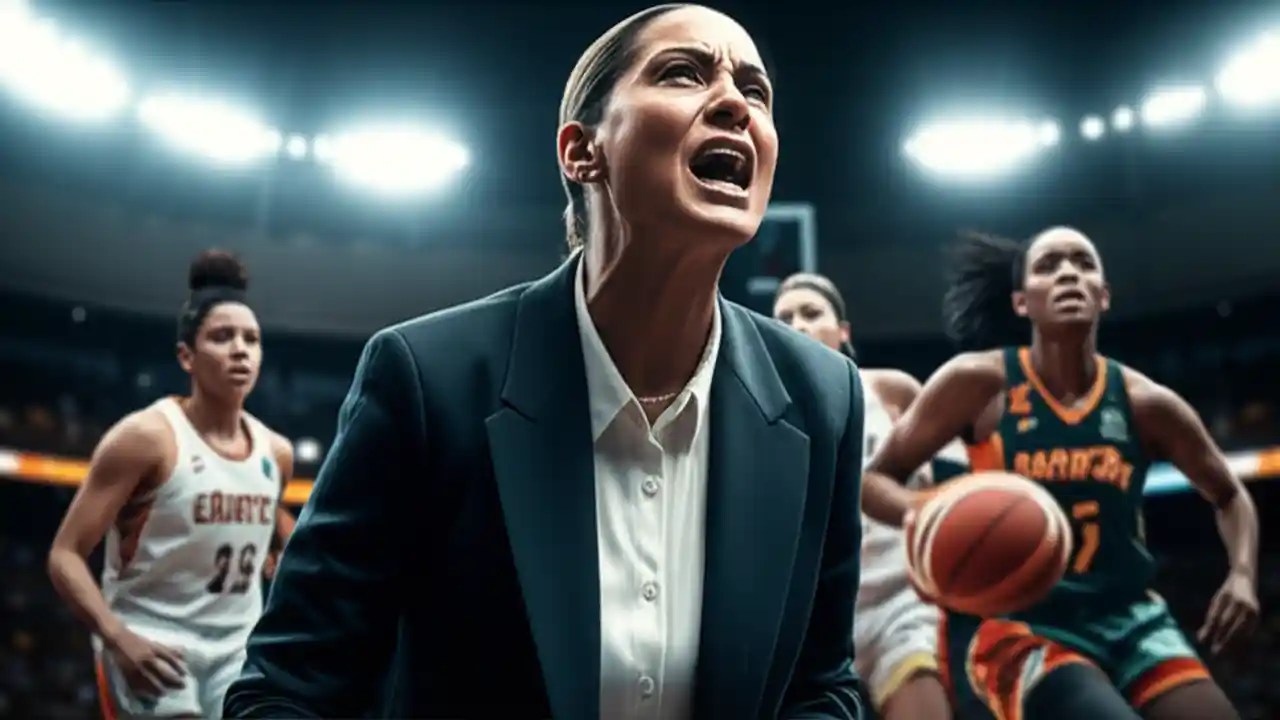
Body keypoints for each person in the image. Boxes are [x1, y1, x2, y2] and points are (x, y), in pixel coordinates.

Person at [223, 5, 869, 719]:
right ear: (580, 151)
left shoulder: (823, 397)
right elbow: (287, 692)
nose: (732, 103)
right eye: (684, 73)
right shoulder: (426, 380)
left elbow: (822, 684)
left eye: (755, 91)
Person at [861, 227, 1258, 720]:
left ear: (1104, 295)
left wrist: (1241, 575)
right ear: (1022, 301)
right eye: (1049, 265)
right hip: (1021, 627)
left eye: (1083, 263)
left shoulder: (1146, 404)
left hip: (1131, 615)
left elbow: (1229, 495)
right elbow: (875, 480)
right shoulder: (979, 383)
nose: (1069, 273)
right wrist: (927, 512)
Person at [47, 250, 296, 720]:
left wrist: (282, 544)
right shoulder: (146, 438)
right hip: (150, 639)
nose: (241, 349)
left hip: (238, 650)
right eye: (223, 337)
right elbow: (64, 554)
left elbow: (265, 513)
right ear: (186, 355)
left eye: (252, 339)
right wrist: (116, 637)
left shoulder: (276, 452)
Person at [773, 272, 962, 720]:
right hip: (812, 616)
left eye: (811, 313)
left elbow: (963, 478)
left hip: (900, 600)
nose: (797, 324)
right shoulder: (761, 406)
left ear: (843, 332)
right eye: (784, 318)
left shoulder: (889, 389)